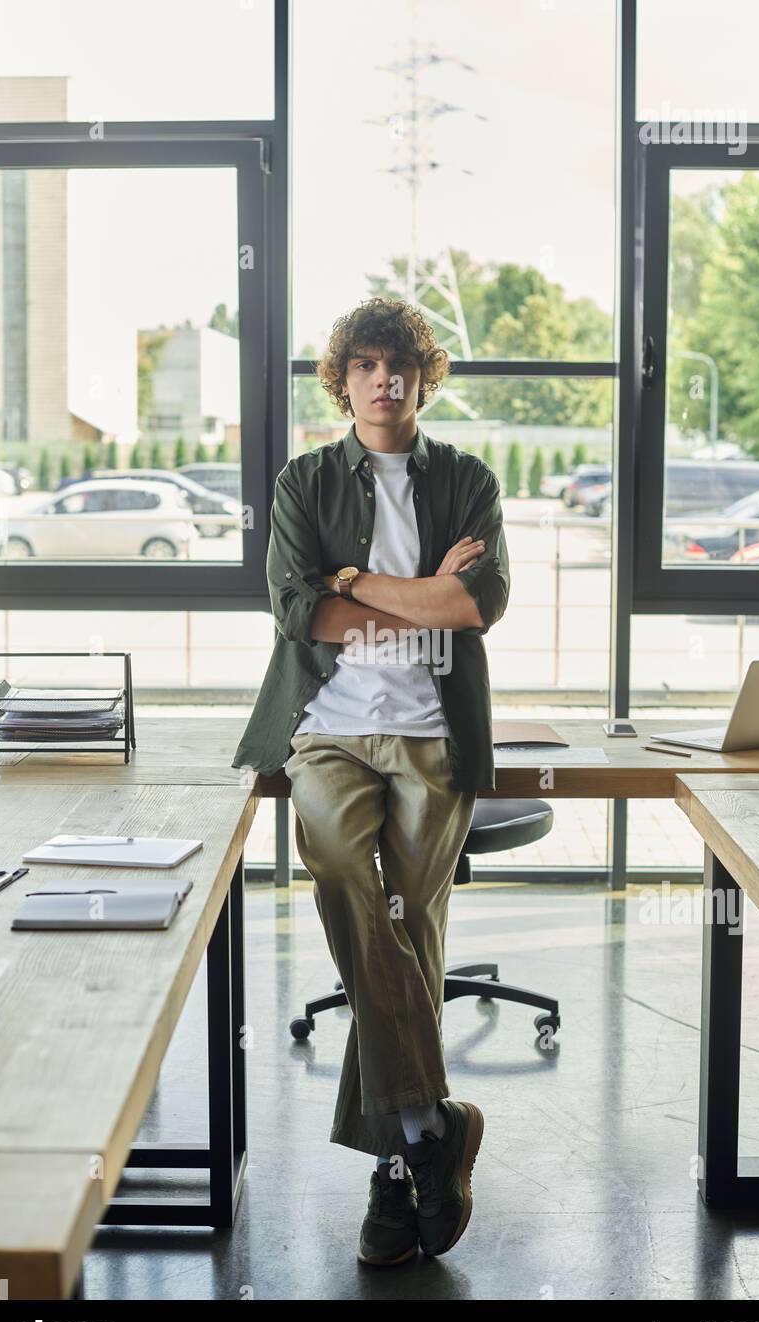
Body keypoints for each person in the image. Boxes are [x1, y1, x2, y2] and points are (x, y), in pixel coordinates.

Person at [232, 296, 510, 1264]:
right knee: (357, 890)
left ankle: (400, 1169)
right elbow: (293, 612)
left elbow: (476, 603)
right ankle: (431, 1124)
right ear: (342, 378)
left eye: (401, 367)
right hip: (328, 732)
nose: (384, 381)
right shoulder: (306, 479)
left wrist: (353, 581)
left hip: (434, 732)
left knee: (401, 926)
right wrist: (411, 596)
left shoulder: (466, 477)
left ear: (424, 376)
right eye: (366, 366)